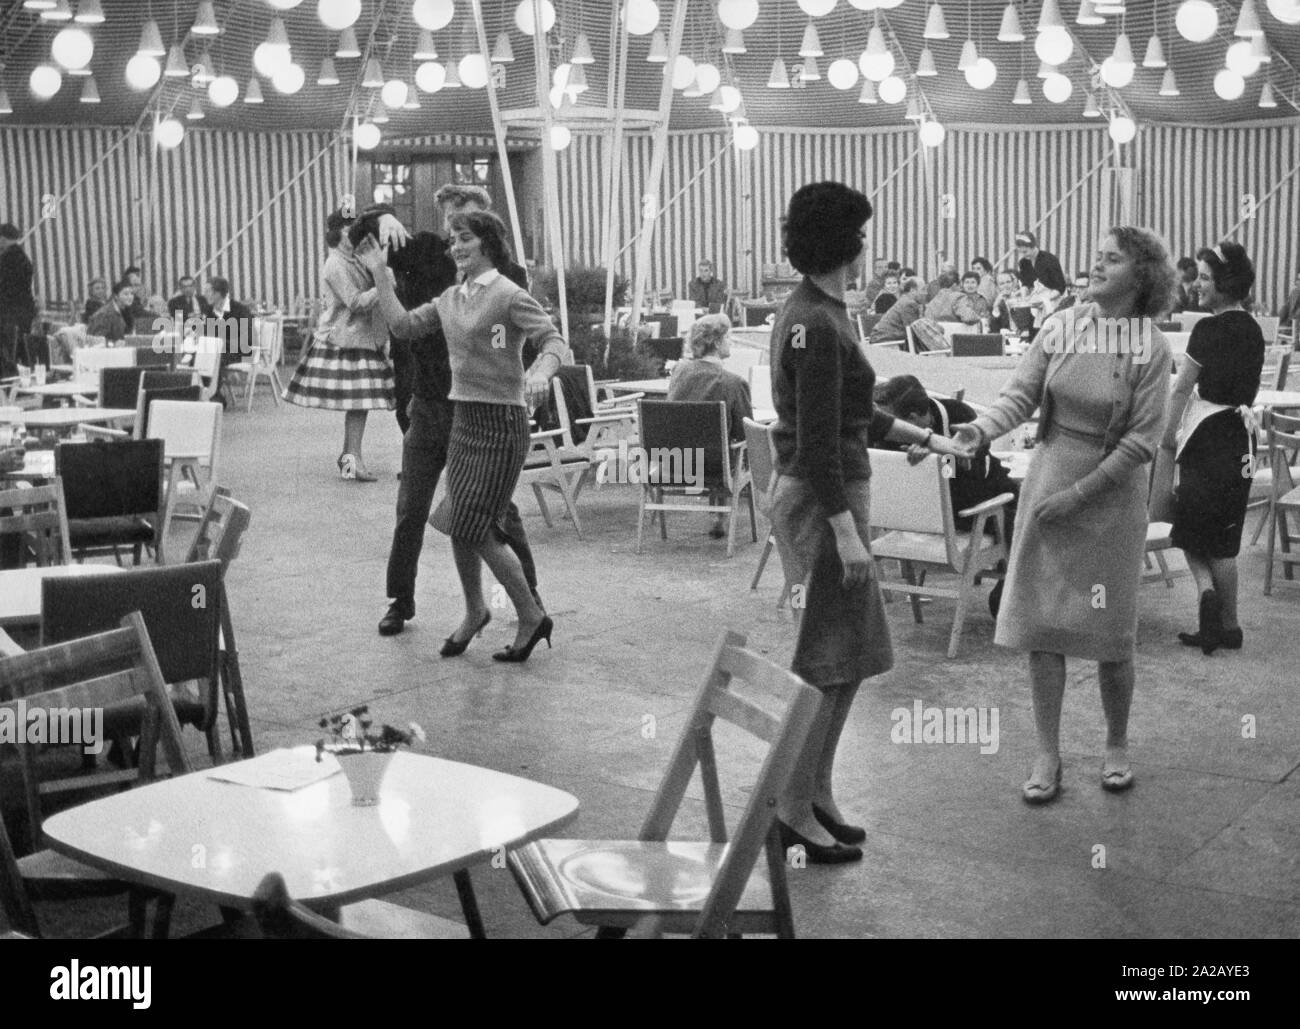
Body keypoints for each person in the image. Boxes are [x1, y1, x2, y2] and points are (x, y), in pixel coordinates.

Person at [768, 181, 971, 864]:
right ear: (845, 242)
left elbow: (856, 415)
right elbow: (821, 441)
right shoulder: (820, 323)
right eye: (859, 234)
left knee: (847, 658)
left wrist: (933, 436)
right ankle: (791, 808)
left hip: (829, 490)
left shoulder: (817, 310)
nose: (865, 246)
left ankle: (817, 792)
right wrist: (848, 533)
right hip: (826, 499)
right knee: (827, 661)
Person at [953, 227, 1174, 804]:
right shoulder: (1062, 323)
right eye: (1096, 255)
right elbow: (1019, 394)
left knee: (1110, 629)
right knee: (1042, 623)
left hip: (1111, 494)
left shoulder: (1152, 346)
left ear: (1142, 274)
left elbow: (1142, 444)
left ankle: (1116, 744)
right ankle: (1047, 751)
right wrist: (980, 430)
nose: (1097, 264)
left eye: (1113, 258)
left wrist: (1077, 497)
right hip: (1050, 473)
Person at [362, 209, 568, 663]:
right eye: (453, 239)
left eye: (466, 239)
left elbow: (554, 342)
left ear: (487, 244)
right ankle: (476, 610)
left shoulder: (509, 295)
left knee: (474, 526)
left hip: (501, 424)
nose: (456, 246)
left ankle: (531, 614)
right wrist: (381, 276)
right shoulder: (451, 298)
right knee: (458, 520)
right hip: (463, 419)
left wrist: (539, 371)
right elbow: (401, 326)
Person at [1165, 242, 1265, 654]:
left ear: (1224, 284)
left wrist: (1167, 436)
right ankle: (1231, 626)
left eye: (1205, 278)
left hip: (1205, 435)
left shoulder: (1207, 330)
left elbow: (1182, 387)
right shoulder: (1255, 329)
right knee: (1224, 538)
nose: (1197, 285)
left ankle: (1205, 593)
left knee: (1188, 528)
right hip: (1240, 437)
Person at [873, 374, 1020, 615]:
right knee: (1015, 510)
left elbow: (971, 473)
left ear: (911, 419)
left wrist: (938, 456)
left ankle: (1012, 583)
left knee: (1018, 507)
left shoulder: (961, 417)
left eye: (889, 421)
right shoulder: (884, 434)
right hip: (926, 514)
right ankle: (1013, 585)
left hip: (978, 496)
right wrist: (920, 465)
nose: (884, 427)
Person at [284, 214, 395, 479]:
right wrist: (384, 281)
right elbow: (356, 302)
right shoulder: (334, 263)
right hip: (344, 339)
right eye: (349, 231)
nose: (355, 236)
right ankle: (351, 459)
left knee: (359, 403)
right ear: (337, 234)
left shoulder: (355, 258)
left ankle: (349, 459)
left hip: (361, 338)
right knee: (358, 403)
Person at [667, 314, 754, 539]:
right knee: (730, 446)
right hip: (716, 468)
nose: (731, 342)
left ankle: (718, 516)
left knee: (711, 440)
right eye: (729, 337)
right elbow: (744, 433)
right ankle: (721, 516)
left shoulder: (678, 373)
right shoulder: (734, 382)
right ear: (716, 342)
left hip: (674, 463)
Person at [201, 276, 253, 408]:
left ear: (217, 293)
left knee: (213, 358)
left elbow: (245, 341)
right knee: (194, 357)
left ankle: (213, 395)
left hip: (238, 351)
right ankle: (202, 393)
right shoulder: (208, 310)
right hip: (216, 350)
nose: (204, 294)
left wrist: (220, 343)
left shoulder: (239, 310)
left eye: (207, 291)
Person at [0, 223, 37, 377]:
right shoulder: (24, 259)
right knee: (23, 351)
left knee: (10, 353)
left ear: (2, 239)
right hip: (24, 313)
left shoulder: (5, 260)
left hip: (9, 314)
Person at [869, 275, 924, 345]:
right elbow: (914, 332)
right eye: (923, 289)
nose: (926, 293)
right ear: (912, 290)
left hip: (882, 338)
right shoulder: (909, 304)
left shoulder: (904, 299)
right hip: (885, 342)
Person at [1014, 230, 1067, 300]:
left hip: (1054, 299)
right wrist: (1024, 298)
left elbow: (1060, 287)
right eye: (1021, 252)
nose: (1023, 255)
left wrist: (1045, 300)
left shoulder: (1050, 259)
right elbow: (1025, 284)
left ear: (1033, 246)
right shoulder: (1023, 263)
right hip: (1035, 299)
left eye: (1025, 252)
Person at [988, 269, 1026, 333]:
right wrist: (996, 306)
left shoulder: (1021, 300)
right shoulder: (996, 304)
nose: (1006, 285)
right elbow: (993, 329)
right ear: (997, 287)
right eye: (1002, 284)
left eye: (1008, 282)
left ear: (1013, 283)